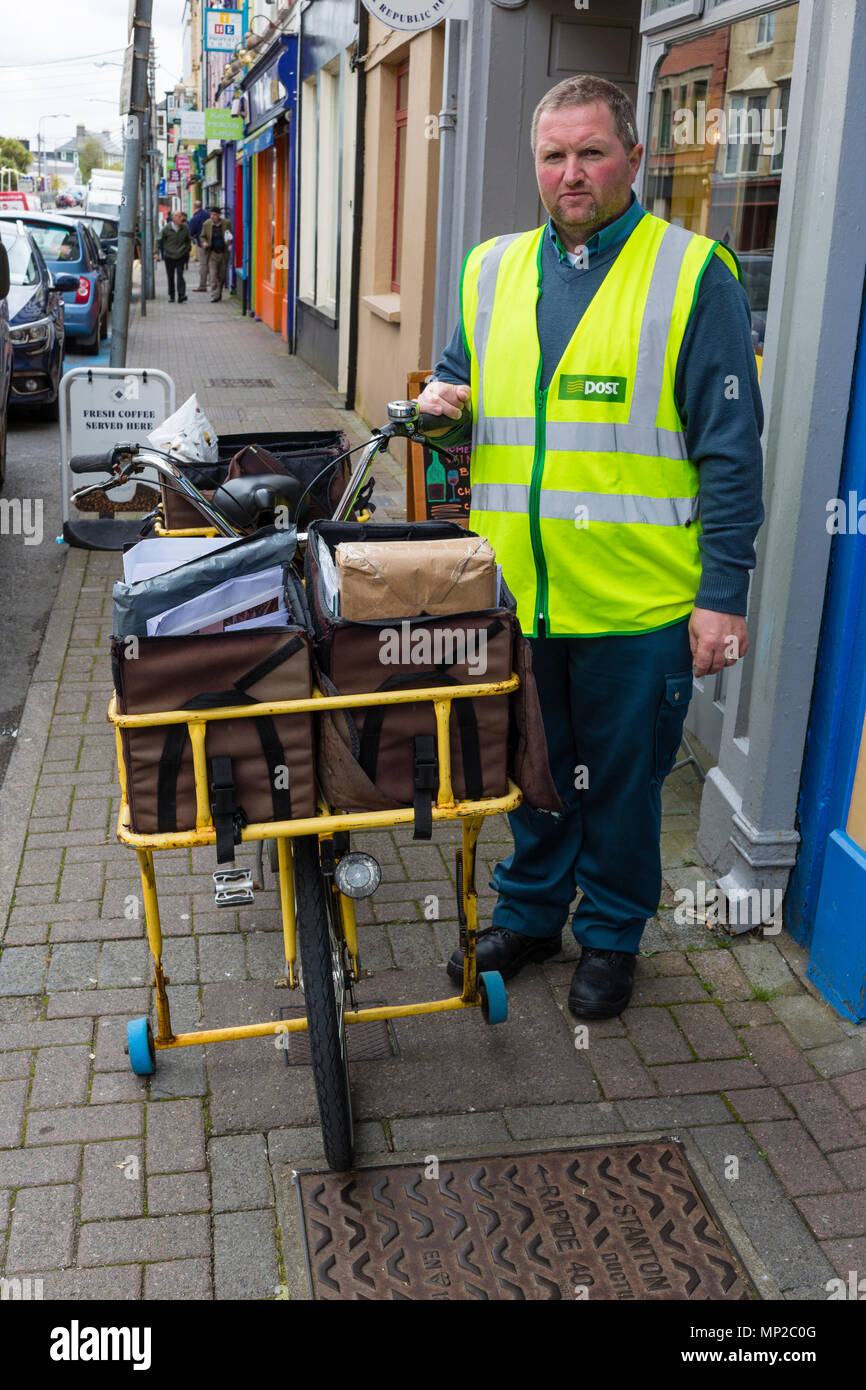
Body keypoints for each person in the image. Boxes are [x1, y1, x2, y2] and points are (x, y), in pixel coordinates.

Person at [416, 75, 764, 1021]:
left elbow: (731, 451)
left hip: (639, 601)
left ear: (635, 159)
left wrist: (722, 594)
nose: (572, 173)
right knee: (533, 770)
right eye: (554, 156)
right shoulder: (490, 269)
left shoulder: (695, 276)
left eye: (592, 152)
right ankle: (531, 916)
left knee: (620, 786)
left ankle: (611, 935)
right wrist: (440, 418)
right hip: (519, 595)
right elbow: (464, 405)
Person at [158, 210, 191, 303]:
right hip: (169, 256)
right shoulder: (167, 228)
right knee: (170, 276)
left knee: (180, 275)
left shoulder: (185, 228)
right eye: (179, 217)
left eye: (181, 217)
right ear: (173, 218)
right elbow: (159, 240)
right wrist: (155, 252)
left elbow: (188, 240)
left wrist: (187, 249)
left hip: (181, 255)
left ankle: (181, 295)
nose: (182, 218)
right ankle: (171, 295)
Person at [200, 207, 232, 302]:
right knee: (213, 276)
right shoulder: (207, 224)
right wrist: (204, 242)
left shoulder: (226, 223)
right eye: (211, 215)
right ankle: (215, 295)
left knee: (221, 276)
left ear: (219, 215)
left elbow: (230, 234)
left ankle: (219, 292)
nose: (212, 217)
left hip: (223, 253)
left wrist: (229, 241)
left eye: (214, 215)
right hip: (212, 253)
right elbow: (202, 236)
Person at [189, 200, 209, 290]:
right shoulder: (208, 214)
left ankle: (203, 285)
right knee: (212, 264)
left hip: (202, 244)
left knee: (203, 265)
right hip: (211, 243)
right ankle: (214, 284)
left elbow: (191, 233)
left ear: (194, 207)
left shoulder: (195, 218)